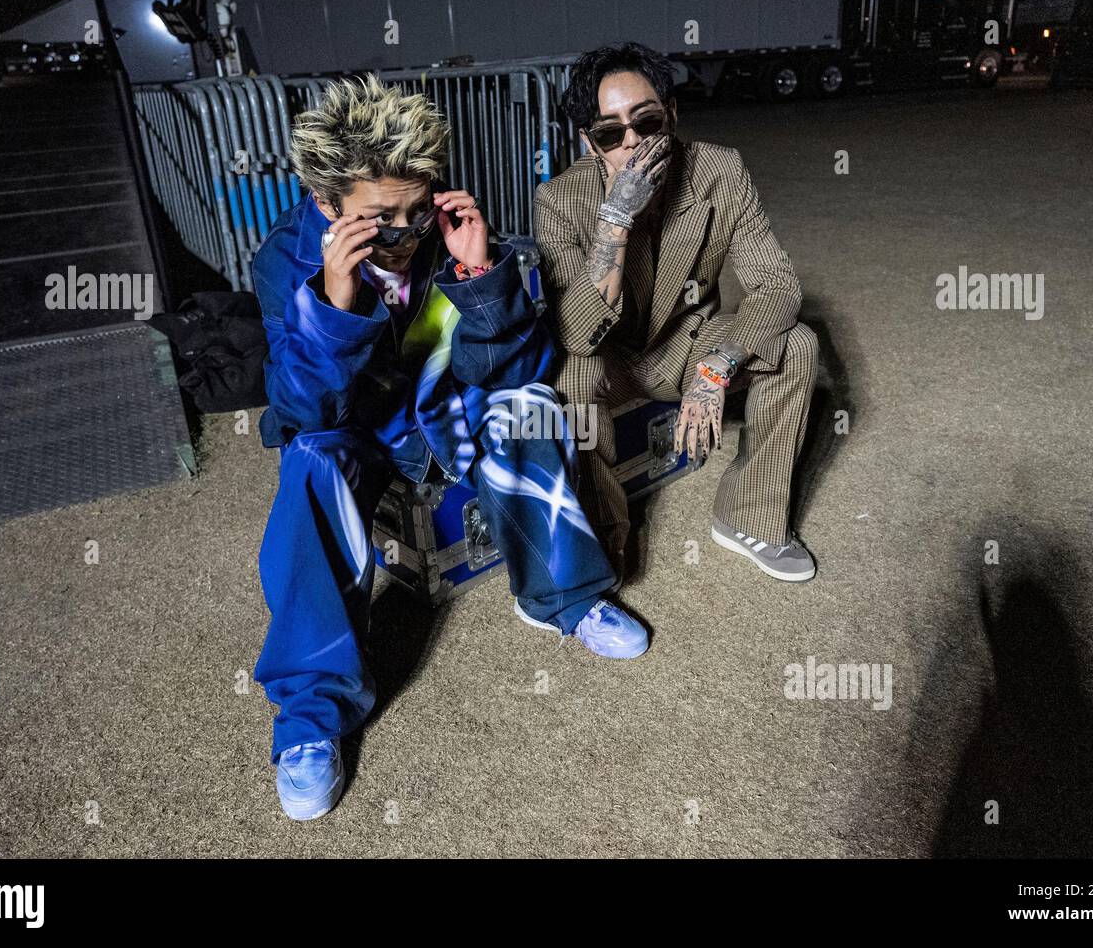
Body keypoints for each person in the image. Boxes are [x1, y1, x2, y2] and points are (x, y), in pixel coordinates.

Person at [252, 74, 650, 821]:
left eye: (416, 210)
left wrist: (478, 273)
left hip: (442, 411)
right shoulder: (283, 261)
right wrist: (334, 307)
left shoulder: (448, 231)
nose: (405, 237)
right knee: (307, 464)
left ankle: (563, 595)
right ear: (326, 204)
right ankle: (312, 715)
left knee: (531, 406)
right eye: (379, 220)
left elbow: (522, 370)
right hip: (357, 431)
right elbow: (302, 409)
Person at [534, 42, 820, 587]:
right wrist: (615, 219)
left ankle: (748, 517)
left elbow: (777, 286)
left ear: (671, 114)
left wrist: (717, 367)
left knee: (799, 345)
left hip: (691, 344)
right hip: (611, 359)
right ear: (590, 144)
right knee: (569, 377)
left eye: (646, 121)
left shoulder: (720, 170)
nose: (634, 142)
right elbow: (574, 332)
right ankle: (606, 540)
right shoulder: (558, 199)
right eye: (611, 133)